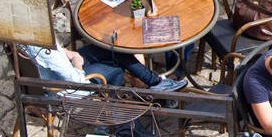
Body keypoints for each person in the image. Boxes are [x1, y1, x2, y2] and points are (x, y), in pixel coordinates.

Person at [20, 40, 186, 93]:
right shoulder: (42, 50)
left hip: (63, 65)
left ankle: (154, 82)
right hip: (67, 83)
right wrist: (77, 63)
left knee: (109, 49)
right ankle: (114, 122)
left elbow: (54, 52)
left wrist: (65, 52)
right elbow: (75, 81)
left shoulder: (23, 40)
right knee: (117, 68)